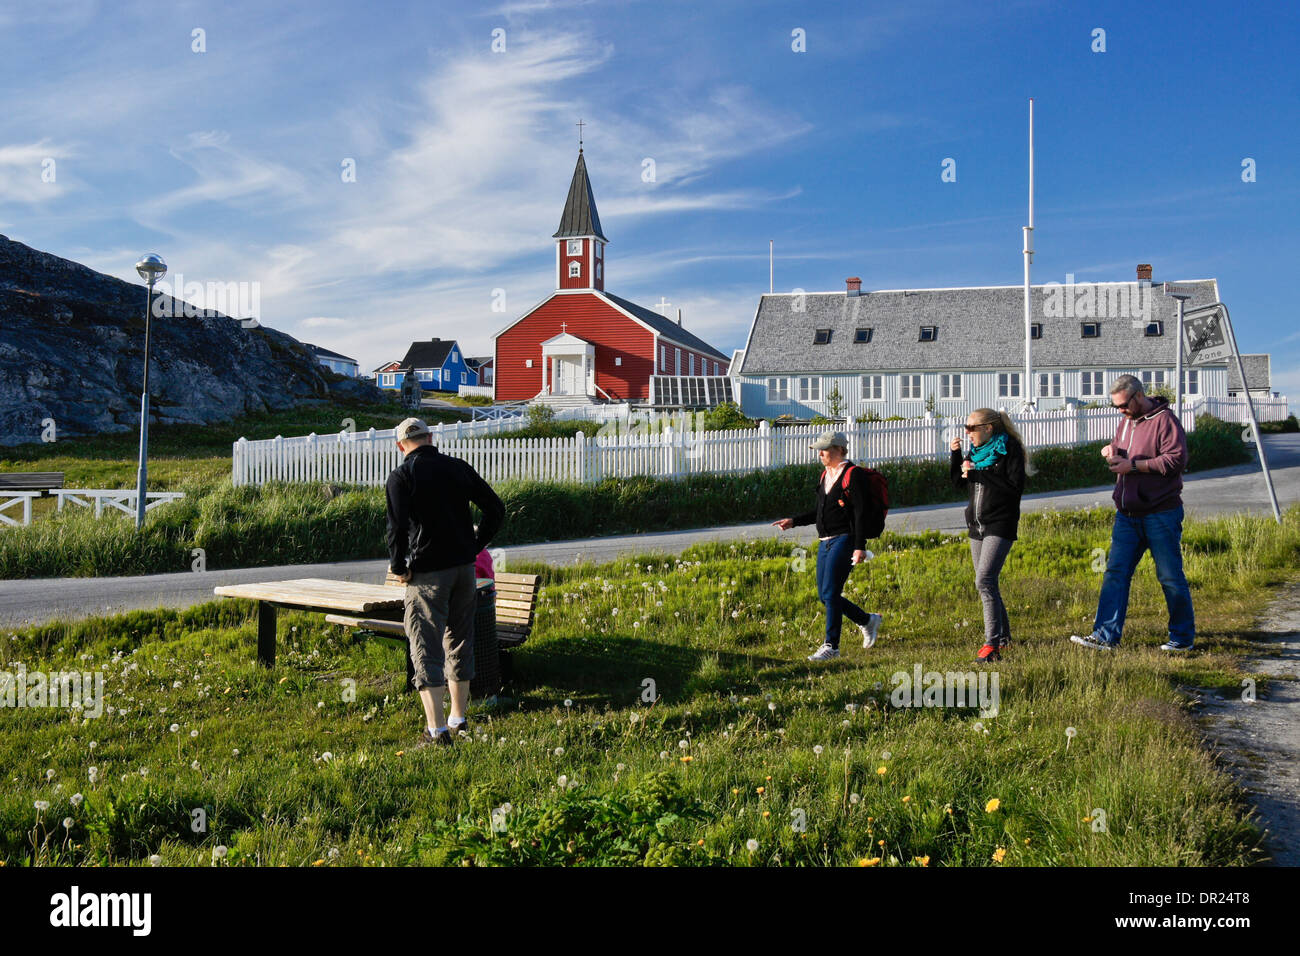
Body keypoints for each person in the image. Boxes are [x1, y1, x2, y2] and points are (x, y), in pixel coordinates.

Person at [386, 417, 505, 748]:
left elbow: (395, 529)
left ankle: (436, 732)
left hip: (427, 574)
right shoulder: (458, 467)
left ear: (401, 446)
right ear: (431, 437)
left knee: (425, 645)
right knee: (460, 641)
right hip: (464, 571)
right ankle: (458, 718)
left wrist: (399, 567)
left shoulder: (402, 476)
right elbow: (496, 508)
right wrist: (475, 545)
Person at [1069, 375, 1195, 651]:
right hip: (1126, 514)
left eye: (1123, 405)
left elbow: (1176, 460)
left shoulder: (1166, 421)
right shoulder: (1126, 421)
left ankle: (1182, 638)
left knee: (1170, 576)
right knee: (1115, 573)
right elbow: (1124, 453)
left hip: (1161, 513)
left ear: (1138, 396)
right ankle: (1104, 636)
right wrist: (1112, 451)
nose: (1120, 411)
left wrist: (1134, 467)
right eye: (1116, 407)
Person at [772, 430, 884, 661]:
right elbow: (821, 512)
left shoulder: (853, 475)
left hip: (845, 539)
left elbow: (861, 513)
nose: (820, 454)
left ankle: (831, 646)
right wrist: (794, 521)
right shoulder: (825, 476)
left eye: (825, 449)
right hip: (825, 541)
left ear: (840, 450)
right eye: (819, 450)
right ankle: (867, 620)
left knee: (831, 592)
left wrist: (859, 546)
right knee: (825, 596)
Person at [950, 408, 1029, 662]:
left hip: (1000, 523)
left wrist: (978, 474)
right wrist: (955, 456)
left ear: (988, 428)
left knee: (984, 581)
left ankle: (991, 646)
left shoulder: (1010, 449)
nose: (967, 432)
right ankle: (1004, 639)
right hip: (976, 525)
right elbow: (959, 483)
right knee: (988, 582)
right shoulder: (976, 451)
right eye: (966, 426)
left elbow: (1013, 487)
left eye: (972, 428)